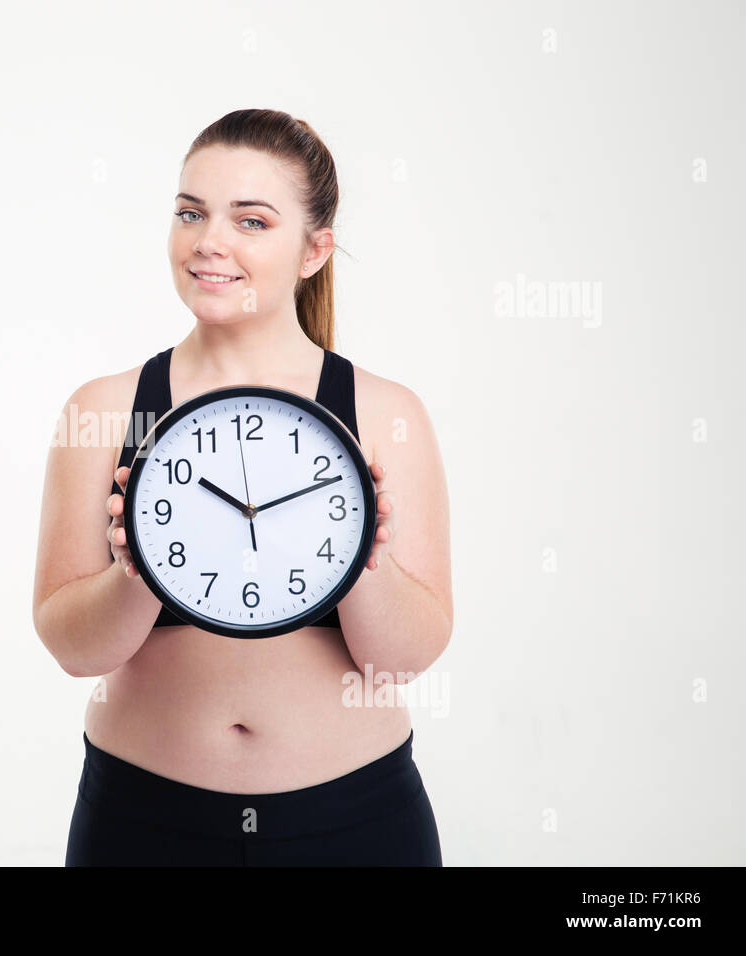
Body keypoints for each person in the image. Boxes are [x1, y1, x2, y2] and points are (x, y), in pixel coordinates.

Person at [32, 108, 452, 866]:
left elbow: (401, 661)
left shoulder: (386, 414)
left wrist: (367, 559)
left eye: (251, 221)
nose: (209, 242)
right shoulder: (104, 409)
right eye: (190, 212)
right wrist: (137, 569)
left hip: (353, 822)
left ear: (313, 250)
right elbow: (71, 647)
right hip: (142, 821)